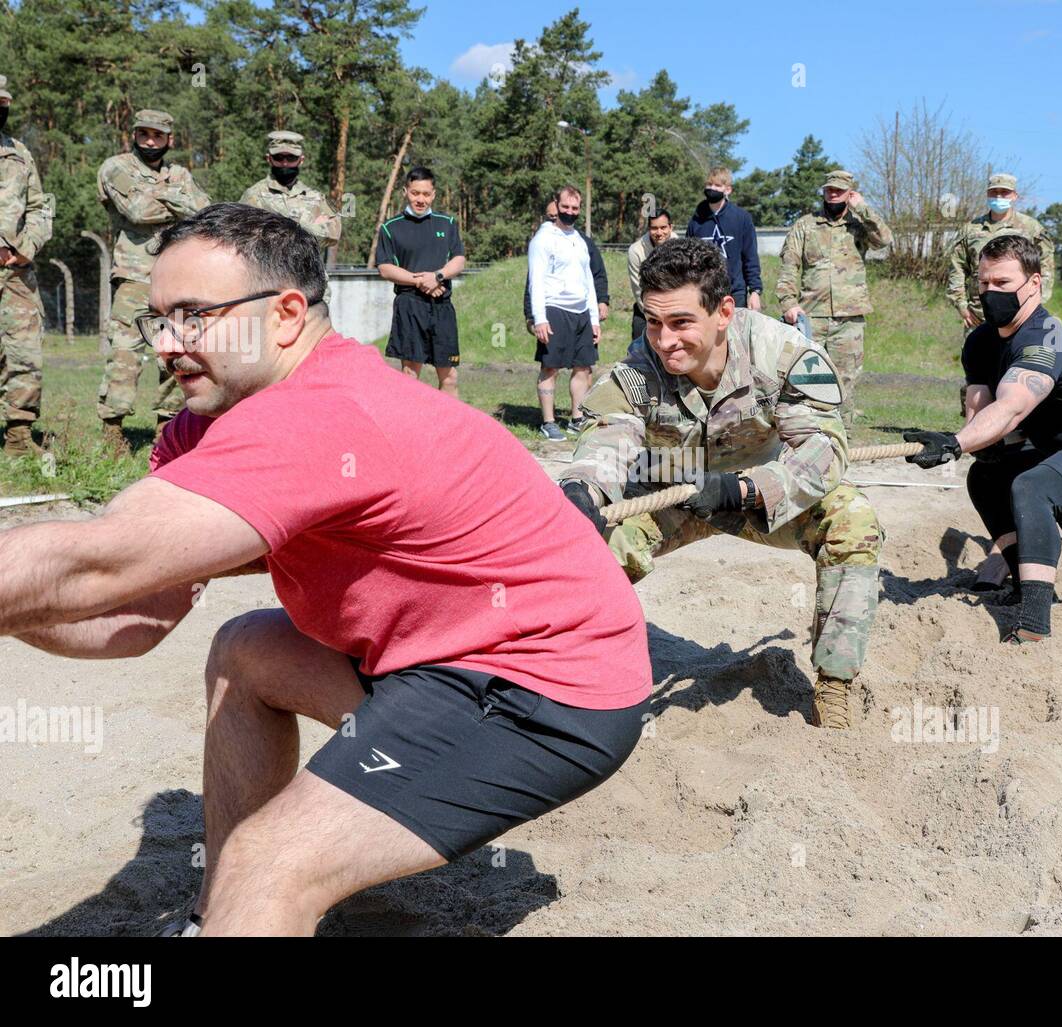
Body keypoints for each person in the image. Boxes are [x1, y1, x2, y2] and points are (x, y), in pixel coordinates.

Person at [0, 203, 651, 936]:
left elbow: (91, 563)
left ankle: (251, 896)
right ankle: (220, 916)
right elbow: (134, 612)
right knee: (245, 652)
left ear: (284, 315)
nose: (167, 344)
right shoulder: (204, 422)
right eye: (158, 319)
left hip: (544, 690)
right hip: (428, 657)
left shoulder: (322, 413)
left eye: (193, 316)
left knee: (268, 863)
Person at [559, 238, 884, 730]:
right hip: (675, 497)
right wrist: (581, 491)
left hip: (765, 497)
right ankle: (566, 678)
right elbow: (610, 435)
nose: (665, 340)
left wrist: (742, 490)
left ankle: (834, 685)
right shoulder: (641, 368)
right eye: (653, 322)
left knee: (853, 520)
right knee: (589, 548)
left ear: (724, 312)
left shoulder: (782, 355)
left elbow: (824, 452)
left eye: (682, 322)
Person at [904, 234, 1062, 644]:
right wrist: (965, 441)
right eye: (983, 284)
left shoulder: (1047, 338)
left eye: (1002, 284)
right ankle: (1025, 583)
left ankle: (1034, 625)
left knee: (1032, 487)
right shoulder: (980, 342)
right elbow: (982, 411)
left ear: (1035, 284)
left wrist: (954, 442)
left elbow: (1011, 407)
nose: (990, 294)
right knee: (986, 477)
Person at [96, 108, 209, 449]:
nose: (150, 141)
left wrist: (160, 196)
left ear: (168, 140)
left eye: (157, 135)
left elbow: (204, 210)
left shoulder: (181, 172)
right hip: (134, 277)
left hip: (176, 278)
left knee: (175, 352)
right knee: (125, 355)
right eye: (144, 133)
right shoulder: (117, 167)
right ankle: (113, 432)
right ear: (134, 134)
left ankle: (167, 430)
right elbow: (137, 212)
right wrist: (178, 201)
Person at [776, 169, 893, 425]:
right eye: (829, 190)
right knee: (803, 376)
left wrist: (862, 208)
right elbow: (789, 266)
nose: (833, 194)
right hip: (810, 316)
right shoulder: (805, 225)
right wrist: (788, 303)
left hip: (849, 318)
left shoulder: (859, 226)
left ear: (850, 194)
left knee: (845, 379)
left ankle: (842, 437)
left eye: (839, 191)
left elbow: (884, 240)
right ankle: (805, 432)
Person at [375, 166, 465, 397]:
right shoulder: (390, 227)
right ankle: (410, 430)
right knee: (409, 374)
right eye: (415, 193)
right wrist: (420, 281)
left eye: (426, 194)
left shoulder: (447, 223)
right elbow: (385, 268)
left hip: (441, 306)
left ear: (434, 194)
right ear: (406, 192)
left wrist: (436, 277)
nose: (420, 199)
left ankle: (447, 429)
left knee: (450, 376)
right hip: (409, 306)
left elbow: (459, 260)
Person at [0, 73, 54, 458]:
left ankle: (19, 438)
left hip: (15, 273)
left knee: (24, 353)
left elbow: (39, 207)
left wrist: (28, 245)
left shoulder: (19, 153)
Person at [527, 185, 601, 441]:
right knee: (551, 368)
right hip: (554, 310)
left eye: (575, 208)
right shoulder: (543, 239)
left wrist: (593, 319)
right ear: (555, 207)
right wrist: (540, 318)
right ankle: (548, 422)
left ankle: (577, 418)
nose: (570, 212)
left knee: (583, 368)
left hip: (581, 313)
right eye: (565, 207)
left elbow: (588, 281)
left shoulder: (580, 241)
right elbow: (535, 280)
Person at [947, 172, 1054, 332]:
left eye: (1004, 192)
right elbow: (957, 267)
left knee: (1020, 356)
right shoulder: (970, 230)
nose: (999, 196)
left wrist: (1037, 301)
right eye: (994, 192)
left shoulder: (1032, 229)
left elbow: (1046, 266)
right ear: (987, 194)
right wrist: (961, 304)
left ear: (1015, 195)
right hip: (979, 316)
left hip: (1021, 316)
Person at [239, 131, 342, 259]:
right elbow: (242, 236)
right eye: (279, 158)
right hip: (268, 273)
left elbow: (334, 233)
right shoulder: (254, 195)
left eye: (291, 158)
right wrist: (310, 225)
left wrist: (277, 226)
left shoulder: (315, 197)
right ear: (269, 159)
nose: (285, 163)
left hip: (308, 273)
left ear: (301, 160)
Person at [523, 198, 609, 343]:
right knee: (551, 365)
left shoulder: (583, 242)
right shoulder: (542, 242)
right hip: (553, 312)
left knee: (584, 364)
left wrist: (602, 300)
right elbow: (533, 283)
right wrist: (532, 317)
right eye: (552, 217)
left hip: (582, 313)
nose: (556, 219)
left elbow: (596, 273)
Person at [685, 166, 763, 311]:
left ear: (728, 190)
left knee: (735, 333)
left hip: (735, 292)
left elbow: (750, 257)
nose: (712, 188)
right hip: (703, 292)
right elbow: (688, 260)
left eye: (717, 185)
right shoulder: (696, 220)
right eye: (709, 184)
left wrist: (755, 291)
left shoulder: (742, 218)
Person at [627, 208, 675, 342]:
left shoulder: (680, 245)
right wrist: (655, 317)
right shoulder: (636, 251)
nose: (659, 233)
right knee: (639, 346)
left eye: (663, 227)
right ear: (648, 229)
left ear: (671, 227)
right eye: (654, 228)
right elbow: (638, 289)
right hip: (646, 308)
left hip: (675, 306)